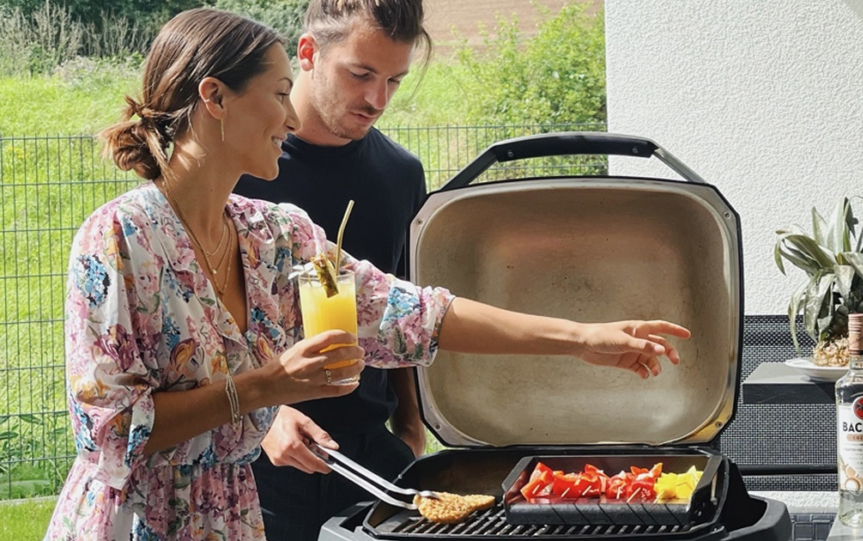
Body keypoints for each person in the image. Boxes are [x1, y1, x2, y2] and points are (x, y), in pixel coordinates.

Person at [45, 8, 690, 540]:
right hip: (132, 522)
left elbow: (415, 314)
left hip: (230, 521)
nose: (292, 118)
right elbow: (109, 432)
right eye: (277, 96)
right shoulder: (118, 240)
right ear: (214, 97)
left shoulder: (277, 234)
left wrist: (581, 339)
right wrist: (266, 388)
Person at [233, 2, 433, 537]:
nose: (377, 100)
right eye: (361, 74)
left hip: (373, 460)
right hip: (257, 462)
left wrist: (411, 426)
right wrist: (265, 418)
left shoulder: (401, 174)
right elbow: (196, 331)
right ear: (307, 53)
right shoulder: (238, 171)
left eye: (394, 80)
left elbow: (403, 312)